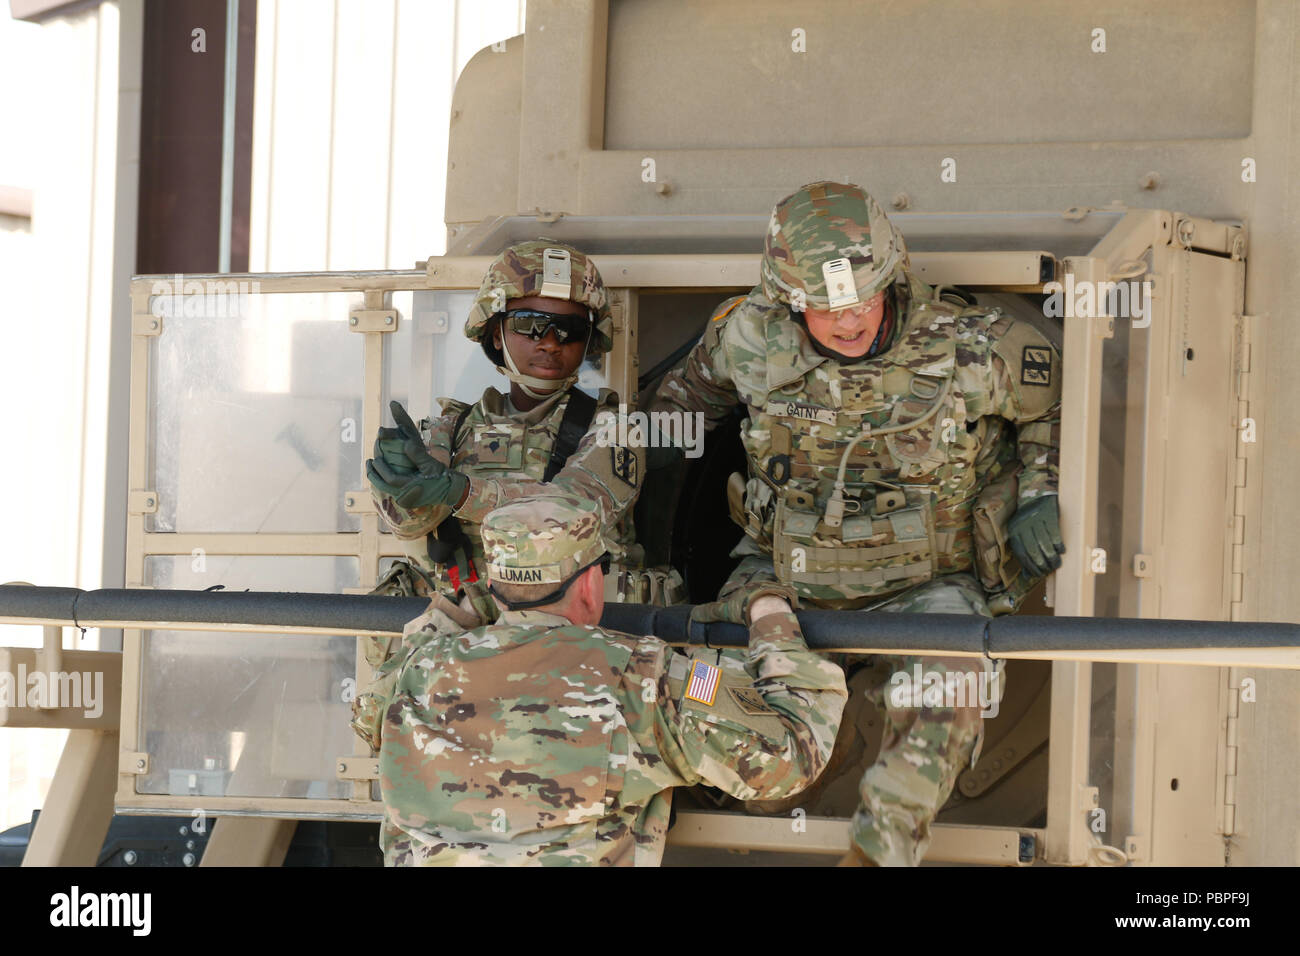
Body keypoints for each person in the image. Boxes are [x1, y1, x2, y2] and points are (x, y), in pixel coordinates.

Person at [649, 181, 1065, 866]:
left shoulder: (973, 347)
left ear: (893, 273)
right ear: (787, 299)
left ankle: (878, 854)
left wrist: (1039, 492)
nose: (848, 322)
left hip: (927, 587)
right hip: (779, 584)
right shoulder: (748, 340)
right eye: (823, 308)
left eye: (862, 298)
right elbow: (673, 409)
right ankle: (811, 744)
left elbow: (1053, 406)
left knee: (949, 691)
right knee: (725, 716)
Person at [370, 494, 847, 866]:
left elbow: (369, 712)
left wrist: (465, 609)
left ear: (497, 584)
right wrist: (768, 612)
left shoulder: (421, 667)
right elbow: (789, 755)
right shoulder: (635, 673)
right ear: (592, 583)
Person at [365, 239, 677, 640]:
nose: (549, 342)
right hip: (466, 640)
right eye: (530, 325)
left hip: (578, 643)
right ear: (496, 334)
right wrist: (396, 484)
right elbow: (411, 527)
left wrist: (458, 491)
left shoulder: (614, 428)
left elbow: (568, 512)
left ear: (588, 342)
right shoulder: (452, 427)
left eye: (570, 330)